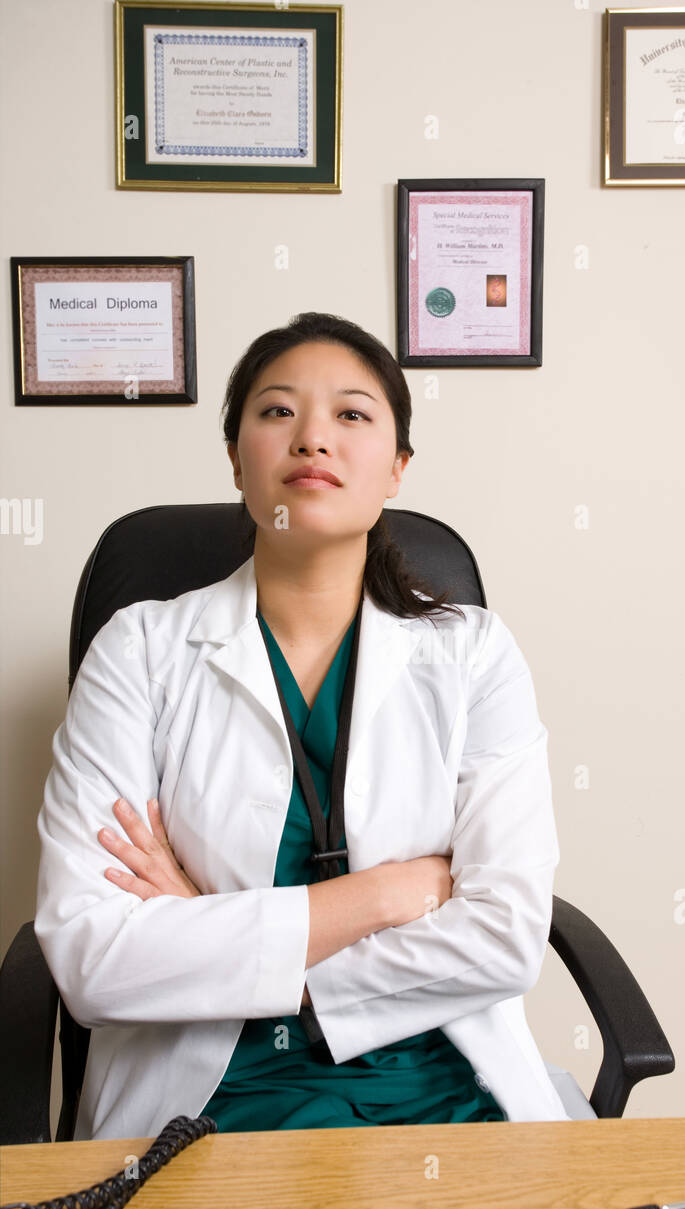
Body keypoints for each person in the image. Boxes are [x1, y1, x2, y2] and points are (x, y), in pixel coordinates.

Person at [34, 311, 596, 1140]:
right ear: (235, 457)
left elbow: (507, 938)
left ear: (398, 467)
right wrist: (385, 896)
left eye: (353, 415)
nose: (312, 439)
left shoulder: (472, 653)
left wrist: (215, 933)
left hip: (440, 1084)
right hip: (206, 1103)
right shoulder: (140, 650)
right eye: (276, 411)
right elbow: (92, 957)